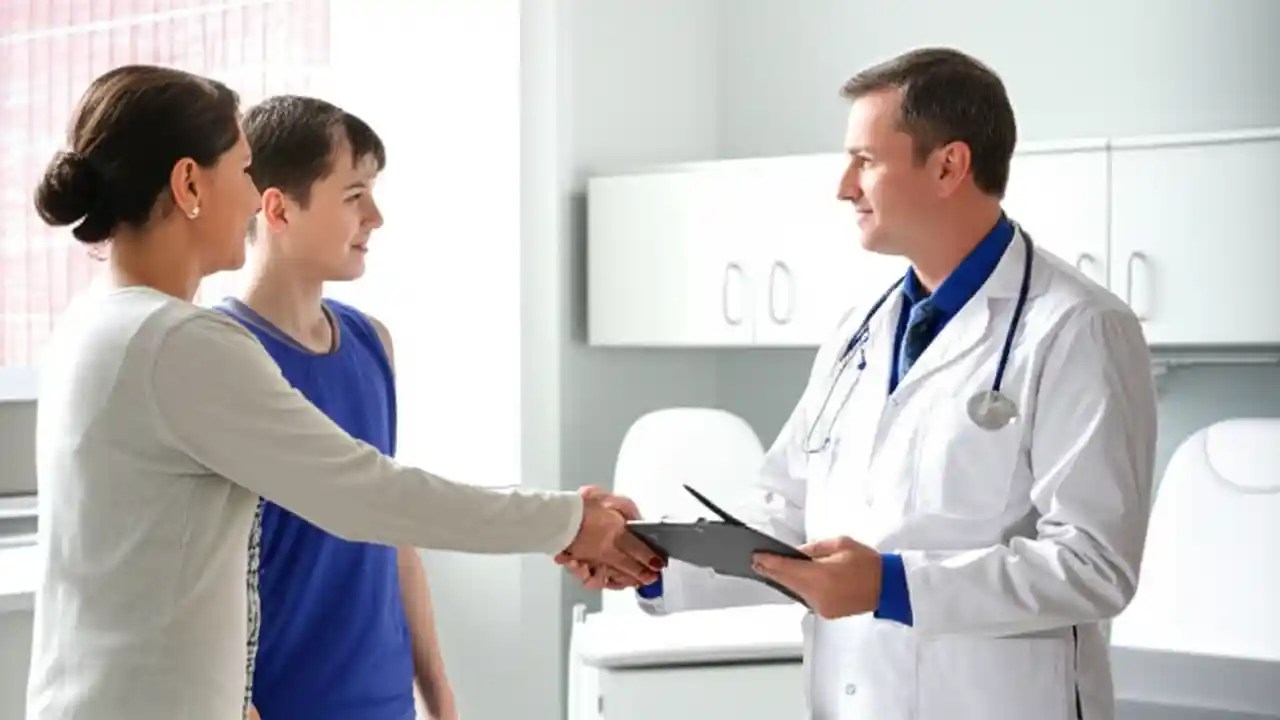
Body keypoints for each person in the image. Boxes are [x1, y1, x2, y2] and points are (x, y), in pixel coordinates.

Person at [27, 64, 660, 720]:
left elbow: (149, 564)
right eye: (244, 171)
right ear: (190, 183)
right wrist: (569, 521)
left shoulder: (93, 325)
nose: (253, 197)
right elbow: (367, 494)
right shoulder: (181, 344)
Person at [562, 47, 1158, 720]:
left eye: (866, 160)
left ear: (948, 166)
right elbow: (787, 517)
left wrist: (890, 584)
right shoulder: (859, 332)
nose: (844, 185)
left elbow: (1095, 564)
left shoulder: (1078, 328)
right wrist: (657, 558)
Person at [215, 95, 454, 720]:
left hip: (384, 705)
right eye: (354, 195)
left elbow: (395, 529)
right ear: (279, 208)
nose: (375, 216)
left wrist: (440, 700)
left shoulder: (374, 343)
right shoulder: (216, 355)